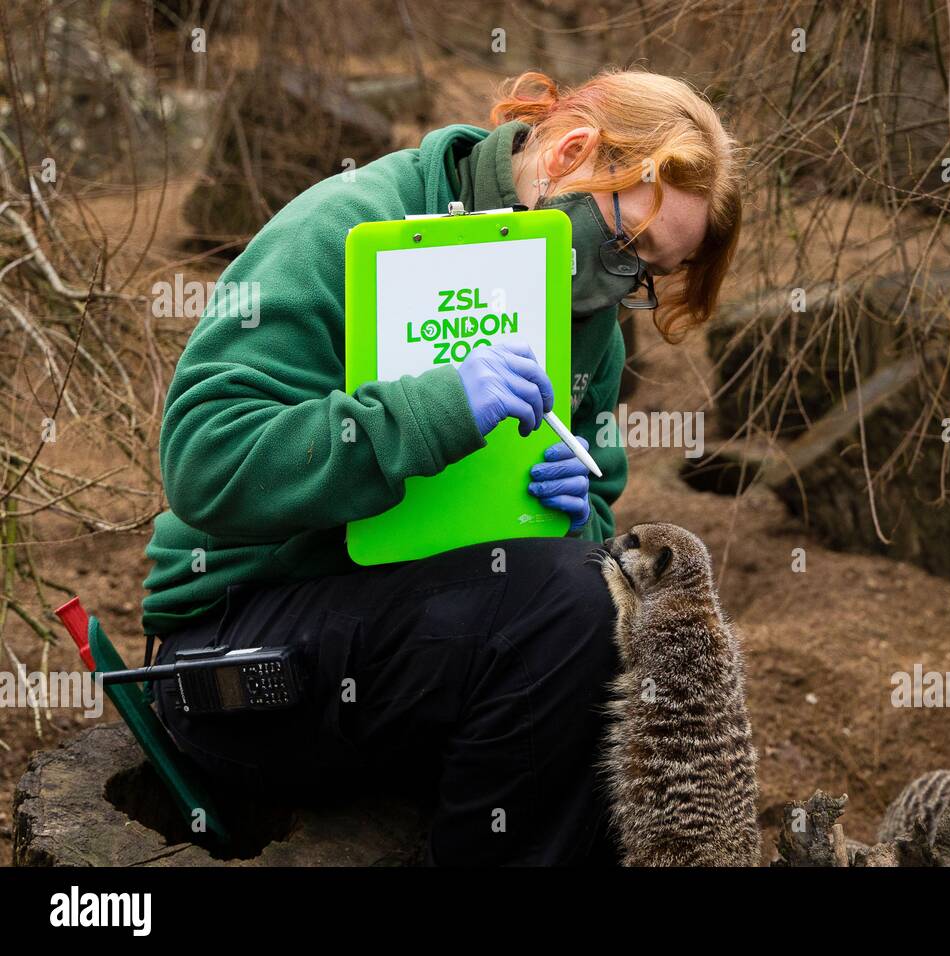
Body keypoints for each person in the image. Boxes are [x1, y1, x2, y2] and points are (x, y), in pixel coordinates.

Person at [141, 69, 743, 865]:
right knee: (572, 611)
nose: (624, 284)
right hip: (237, 655)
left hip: (417, 648)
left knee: (632, 626)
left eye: (645, 276)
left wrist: (576, 515)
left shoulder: (584, 310)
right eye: (631, 246)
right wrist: (432, 410)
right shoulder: (349, 223)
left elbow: (589, 503)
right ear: (570, 152)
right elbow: (204, 460)